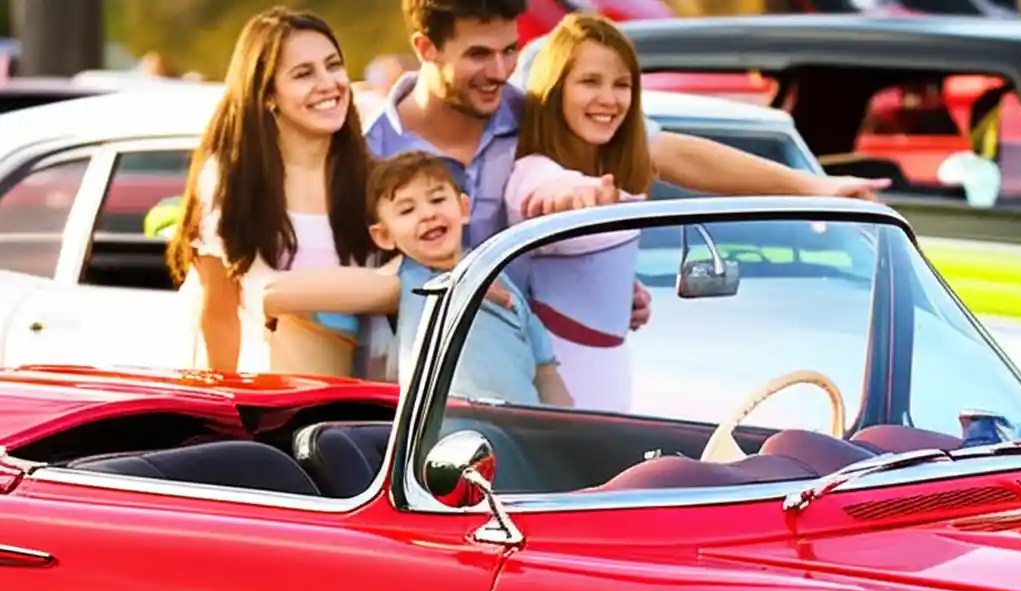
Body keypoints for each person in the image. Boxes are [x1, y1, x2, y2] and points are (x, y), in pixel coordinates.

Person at [364, 0, 890, 332]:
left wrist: (812, 185)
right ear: (425, 48)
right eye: (479, 54)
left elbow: (671, 153)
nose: (500, 70)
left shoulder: (536, 117)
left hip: (530, 372)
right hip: (407, 383)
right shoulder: (367, 149)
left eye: (510, 51)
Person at [262, 150, 574, 406]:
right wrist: (396, 289)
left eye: (437, 200)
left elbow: (545, 369)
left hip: (523, 428)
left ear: (463, 208)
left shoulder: (498, 275)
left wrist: (565, 433)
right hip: (448, 438)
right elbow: (277, 294)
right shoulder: (405, 283)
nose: (427, 214)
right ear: (384, 236)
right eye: (407, 210)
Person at [166, 7, 377, 374]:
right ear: (267, 95)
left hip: (358, 393)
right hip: (262, 392)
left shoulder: (371, 174)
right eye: (304, 74)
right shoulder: (231, 180)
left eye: (333, 66)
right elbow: (218, 315)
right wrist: (229, 400)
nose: (329, 83)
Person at [502, 13, 650, 412]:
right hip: (554, 393)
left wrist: (623, 292)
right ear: (555, 90)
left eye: (622, 84)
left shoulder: (621, 174)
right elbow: (547, 191)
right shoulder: (532, 171)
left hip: (612, 382)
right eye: (590, 82)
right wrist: (576, 197)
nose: (609, 99)